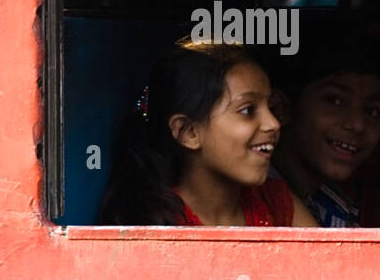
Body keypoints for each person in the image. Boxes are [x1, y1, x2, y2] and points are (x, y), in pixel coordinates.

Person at [98, 40, 318, 227]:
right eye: (247, 110)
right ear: (189, 132)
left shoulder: (277, 203)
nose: (273, 123)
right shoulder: (153, 224)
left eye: (270, 107)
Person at [270, 27, 380, 228]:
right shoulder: (258, 202)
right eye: (334, 101)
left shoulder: (335, 207)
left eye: (372, 111)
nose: (358, 125)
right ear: (283, 108)